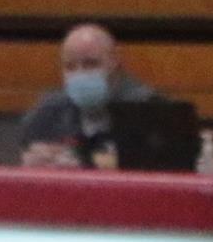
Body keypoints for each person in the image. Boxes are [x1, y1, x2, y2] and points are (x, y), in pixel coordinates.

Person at [19, 24, 159, 170]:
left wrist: (83, 165)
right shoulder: (47, 113)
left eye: (91, 64)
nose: (80, 75)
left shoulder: (150, 112)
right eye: (70, 67)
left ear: (114, 61)